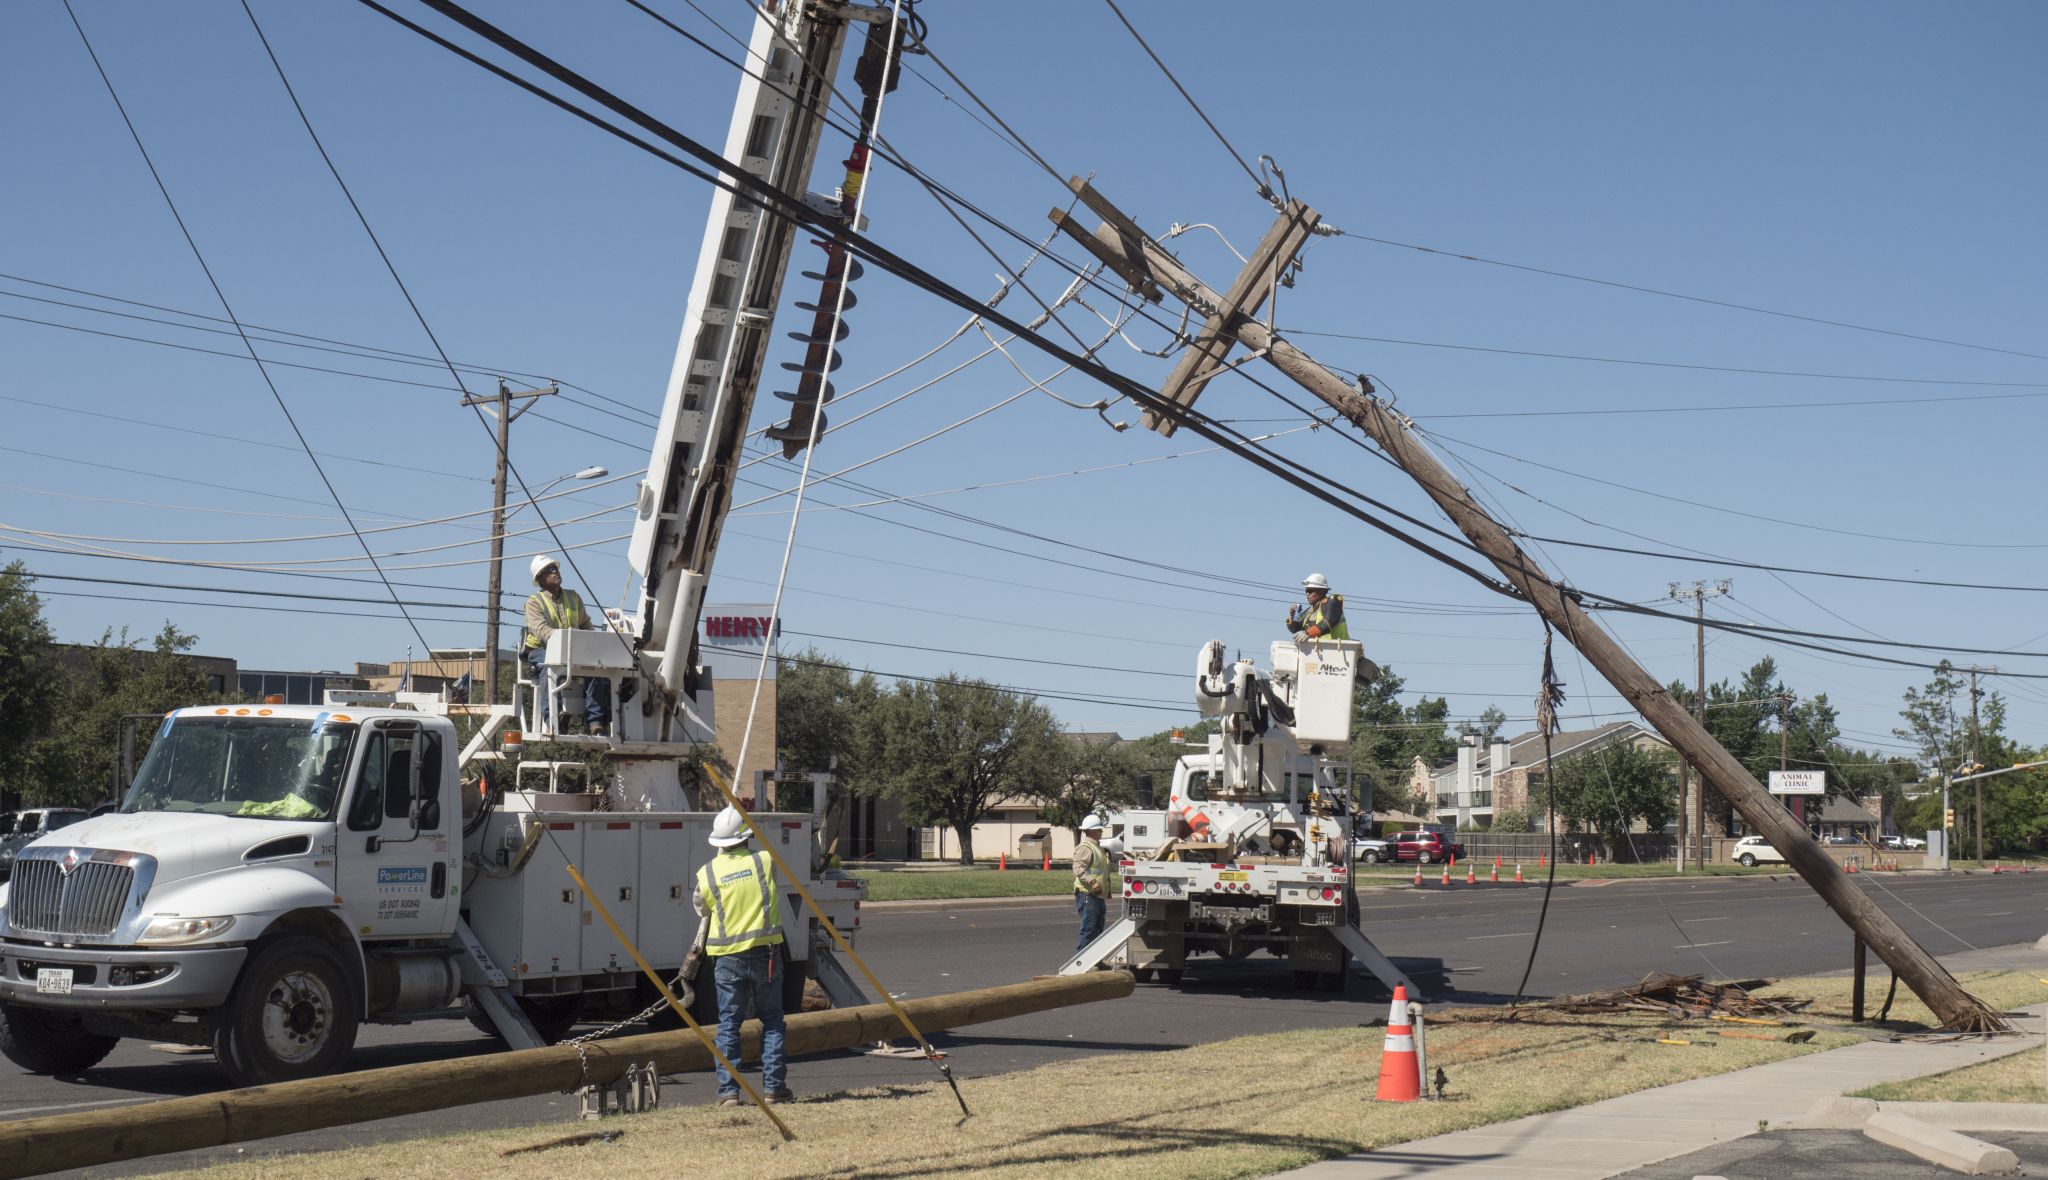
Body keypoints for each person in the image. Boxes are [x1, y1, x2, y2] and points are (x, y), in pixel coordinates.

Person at [694, 806, 792, 1106]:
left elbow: (702, 908)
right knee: (773, 1020)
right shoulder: (764, 861)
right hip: (766, 954)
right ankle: (774, 1088)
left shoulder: (707, 873)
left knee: (728, 1024)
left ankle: (728, 1092)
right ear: (746, 837)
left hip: (727, 958)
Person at [523, 554, 612, 736]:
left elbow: (585, 624)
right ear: (540, 578)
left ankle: (594, 720)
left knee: (596, 668)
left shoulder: (573, 597)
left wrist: (591, 643)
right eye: (549, 570)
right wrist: (569, 644)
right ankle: (553, 720)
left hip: (571, 649)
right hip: (541, 649)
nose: (555, 571)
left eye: (555, 568)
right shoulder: (534, 602)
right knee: (549, 668)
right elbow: (543, 632)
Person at [1072, 813, 1110, 951]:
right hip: (1088, 894)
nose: (1101, 831)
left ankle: (1095, 960)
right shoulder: (1085, 848)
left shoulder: (1097, 847)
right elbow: (1078, 868)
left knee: (1097, 930)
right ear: (1092, 830)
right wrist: (1092, 882)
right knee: (1089, 930)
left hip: (1097, 896)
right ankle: (1081, 962)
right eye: (1099, 829)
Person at [1285, 572, 1351, 641]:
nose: (1307, 594)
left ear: (1321, 591)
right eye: (1306, 591)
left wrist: (1307, 633)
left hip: (1339, 649)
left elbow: (1326, 623)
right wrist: (1291, 616)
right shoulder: (1309, 612)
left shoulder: (1333, 601)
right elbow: (1296, 630)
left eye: (1310, 591)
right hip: (1318, 649)